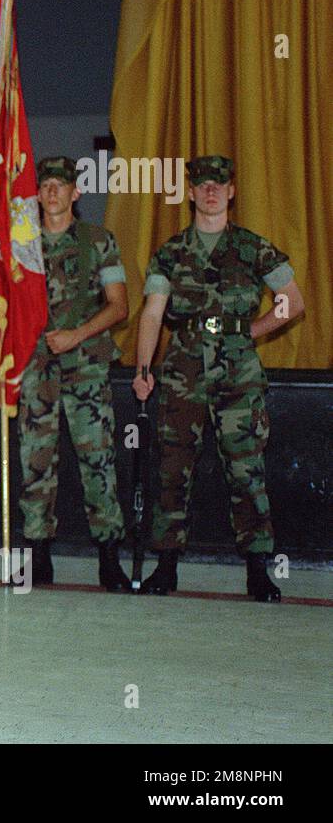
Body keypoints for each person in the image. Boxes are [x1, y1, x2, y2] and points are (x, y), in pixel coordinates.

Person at [132, 155, 303, 602]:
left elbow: (292, 302)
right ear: (190, 193)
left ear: (231, 192)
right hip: (183, 368)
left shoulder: (252, 247)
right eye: (202, 184)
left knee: (246, 470)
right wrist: (143, 370)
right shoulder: (170, 252)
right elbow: (151, 315)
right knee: (173, 469)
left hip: (238, 371)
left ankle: (257, 569)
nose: (210, 191)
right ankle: (165, 566)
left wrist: (251, 330)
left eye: (219, 184)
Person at [14, 156, 131, 590]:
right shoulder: (20, 245)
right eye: (45, 185)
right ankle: (38, 556)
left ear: (76, 192)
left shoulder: (98, 240)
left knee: (97, 461)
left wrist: (75, 335)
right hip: (35, 368)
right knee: (36, 462)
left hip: (85, 366)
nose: (52, 192)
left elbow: (119, 306)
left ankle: (108, 557)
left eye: (61, 185)